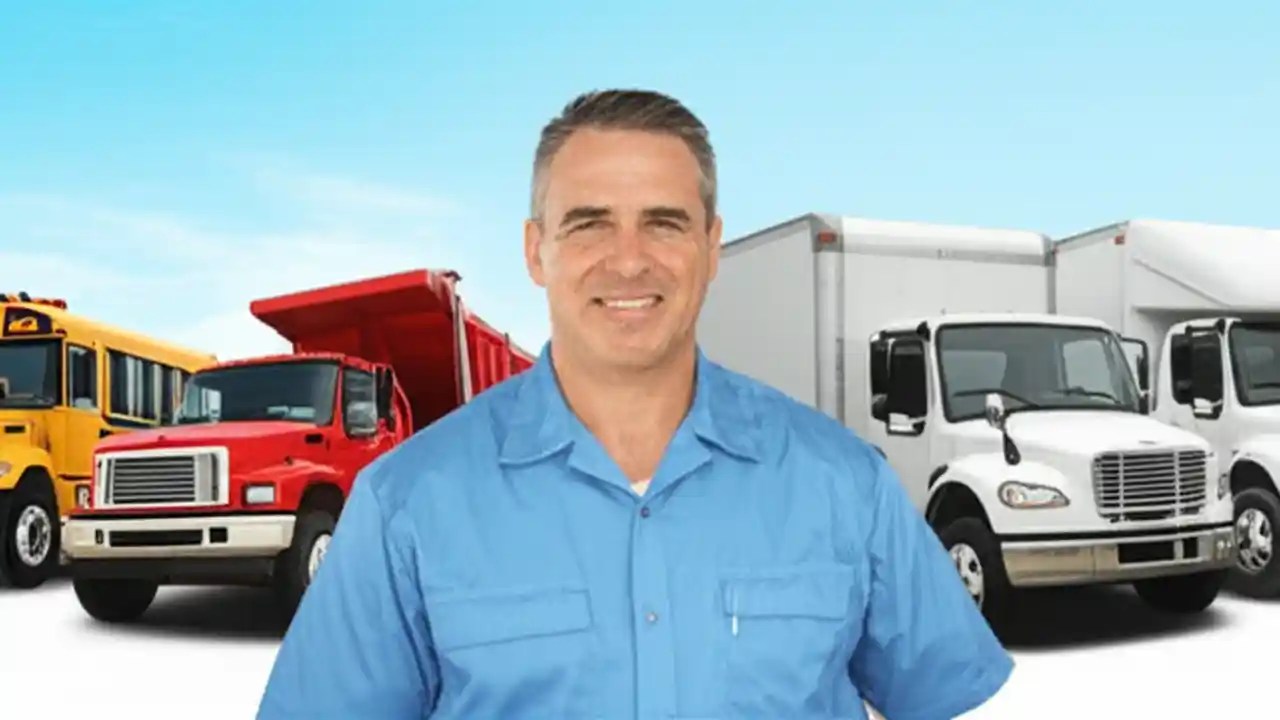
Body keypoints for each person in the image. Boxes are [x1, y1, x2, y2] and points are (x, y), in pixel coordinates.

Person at [256, 88, 1014, 719]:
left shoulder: (847, 486)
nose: (628, 259)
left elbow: (947, 698)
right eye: (589, 223)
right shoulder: (407, 506)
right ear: (534, 249)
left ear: (712, 247)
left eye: (664, 222)